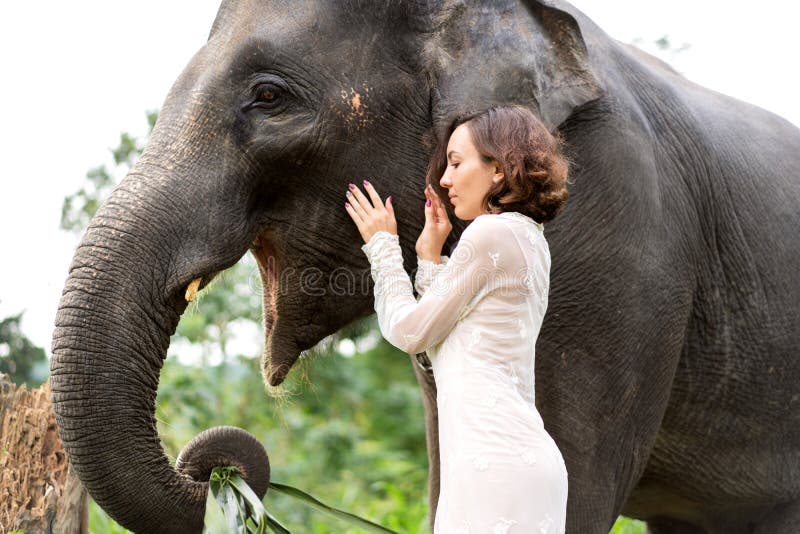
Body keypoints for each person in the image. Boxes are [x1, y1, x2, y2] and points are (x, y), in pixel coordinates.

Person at [344, 104, 570, 533]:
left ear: (500, 169)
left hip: (493, 465)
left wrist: (383, 248)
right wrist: (430, 257)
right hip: (508, 462)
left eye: (456, 162)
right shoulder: (529, 240)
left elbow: (410, 331)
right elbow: (446, 344)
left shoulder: (491, 233)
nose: (445, 179)